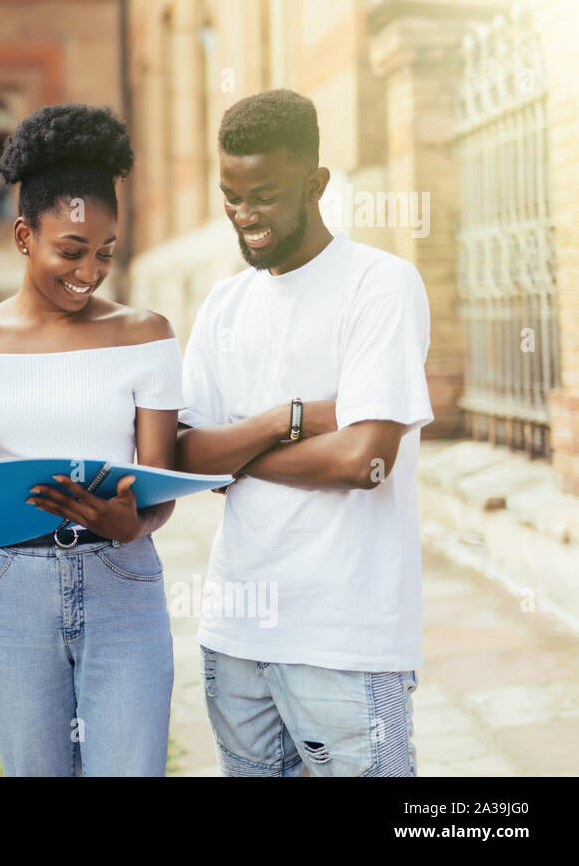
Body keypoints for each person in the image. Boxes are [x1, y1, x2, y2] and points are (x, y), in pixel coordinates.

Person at [175, 88, 433, 777]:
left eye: (264, 195)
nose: (244, 216)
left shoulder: (380, 285)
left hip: (345, 638)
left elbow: (363, 460)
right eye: (230, 195)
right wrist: (284, 422)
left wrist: (237, 451)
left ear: (317, 183)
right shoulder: (225, 304)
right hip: (236, 638)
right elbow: (185, 456)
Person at [0, 104, 181, 776]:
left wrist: (135, 521)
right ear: (22, 236)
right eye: (70, 250)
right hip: (14, 585)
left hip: (124, 579)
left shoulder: (146, 333)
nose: (89, 270)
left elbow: (160, 487)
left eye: (105, 252)